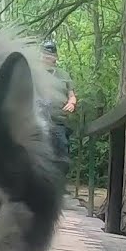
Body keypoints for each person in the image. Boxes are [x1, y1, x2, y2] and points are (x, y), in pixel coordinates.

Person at [40, 39, 77, 169]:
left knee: (62, 152)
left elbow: (72, 96)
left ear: (55, 56)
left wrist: (72, 103)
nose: (47, 57)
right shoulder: (35, 73)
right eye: (44, 54)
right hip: (39, 121)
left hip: (58, 121)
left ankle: (59, 182)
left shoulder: (63, 75)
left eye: (50, 54)